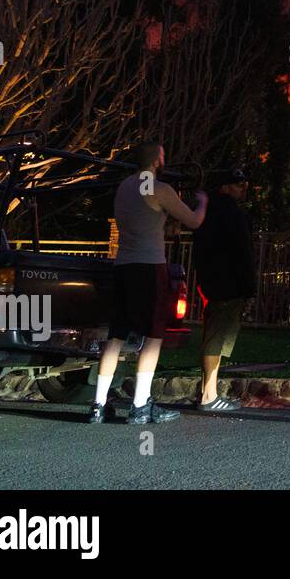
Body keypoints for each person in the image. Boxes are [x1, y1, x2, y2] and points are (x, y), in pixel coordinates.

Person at [88, 141, 207, 424]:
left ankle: (98, 405)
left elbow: (141, 220)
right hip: (149, 266)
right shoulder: (159, 189)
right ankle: (140, 404)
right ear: (157, 161)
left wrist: (163, 220)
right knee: (153, 335)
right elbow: (193, 221)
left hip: (123, 266)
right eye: (163, 157)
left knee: (115, 336)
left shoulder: (124, 188)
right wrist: (202, 201)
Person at [190, 167, 255, 412]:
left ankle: (209, 390)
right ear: (224, 187)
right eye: (238, 184)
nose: (243, 188)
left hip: (211, 282)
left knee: (213, 335)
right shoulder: (232, 214)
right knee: (217, 338)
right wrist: (249, 286)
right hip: (229, 284)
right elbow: (243, 253)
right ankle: (209, 395)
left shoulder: (205, 212)